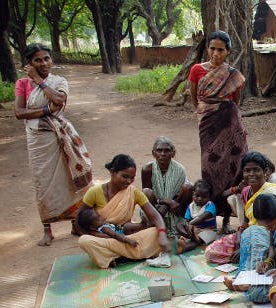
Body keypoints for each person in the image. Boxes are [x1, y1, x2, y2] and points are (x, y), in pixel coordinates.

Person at [14, 42, 93, 246]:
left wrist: (40, 81)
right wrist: (47, 110)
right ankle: (47, 229)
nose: (43, 63)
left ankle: (76, 224)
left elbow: (59, 99)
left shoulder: (59, 81)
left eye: (46, 58)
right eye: (37, 60)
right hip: (38, 139)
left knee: (69, 179)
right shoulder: (22, 84)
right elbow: (19, 113)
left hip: (59, 136)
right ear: (28, 63)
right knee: (43, 183)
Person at [189, 30, 248, 232]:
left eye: (221, 50)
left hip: (230, 126)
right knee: (210, 171)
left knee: (233, 171)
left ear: (228, 51)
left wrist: (225, 115)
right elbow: (195, 98)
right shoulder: (197, 70)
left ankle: (227, 221)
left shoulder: (233, 74)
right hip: (207, 125)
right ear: (207, 49)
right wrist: (207, 112)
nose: (216, 53)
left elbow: (236, 102)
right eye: (212, 48)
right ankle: (211, 218)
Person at [78, 155, 170, 268]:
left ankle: (117, 257)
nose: (129, 181)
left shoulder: (133, 192)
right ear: (113, 172)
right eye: (125, 176)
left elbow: (155, 216)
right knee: (84, 241)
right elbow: (80, 220)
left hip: (128, 238)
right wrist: (95, 234)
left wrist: (161, 233)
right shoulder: (94, 192)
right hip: (104, 240)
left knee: (155, 232)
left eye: (132, 178)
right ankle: (131, 255)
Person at [204, 152, 276, 264]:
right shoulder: (246, 191)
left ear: (264, 172)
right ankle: (246, 255)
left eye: (256, 170)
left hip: (267, 237)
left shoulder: (272, 191)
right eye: (247, 171)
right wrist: (240, 238)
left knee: (256, 259)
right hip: (248, 234)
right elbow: (246, 221)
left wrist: (245, 246)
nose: (251, 174)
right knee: (211, 253)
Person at [139, 136, 192, 233]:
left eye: (167, 150)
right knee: (146, 191)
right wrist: (165, 202)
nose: (163, 154)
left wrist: (169, 204)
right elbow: (145, 197)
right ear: (153, 153)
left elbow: (180, 193)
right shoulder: (147, 169)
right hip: (156, 205)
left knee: (188, 187)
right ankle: (154, 219)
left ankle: (179, 220)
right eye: (159, 150)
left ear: (173, 153)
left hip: (175, 206)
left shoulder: (180, 169)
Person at [176, 180, 218, 252]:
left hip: (208, 231)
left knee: (196, 241)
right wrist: (187, 226)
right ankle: (187, 236)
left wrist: (190, 225)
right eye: (197, 196)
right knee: (179, 225)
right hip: (194, 229)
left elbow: (201, 218)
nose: (199, 199)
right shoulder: (191, 206)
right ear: (193, 194)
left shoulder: (210, 206)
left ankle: (184, 248)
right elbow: (186, 220)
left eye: (204, 197)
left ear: (209, 197)